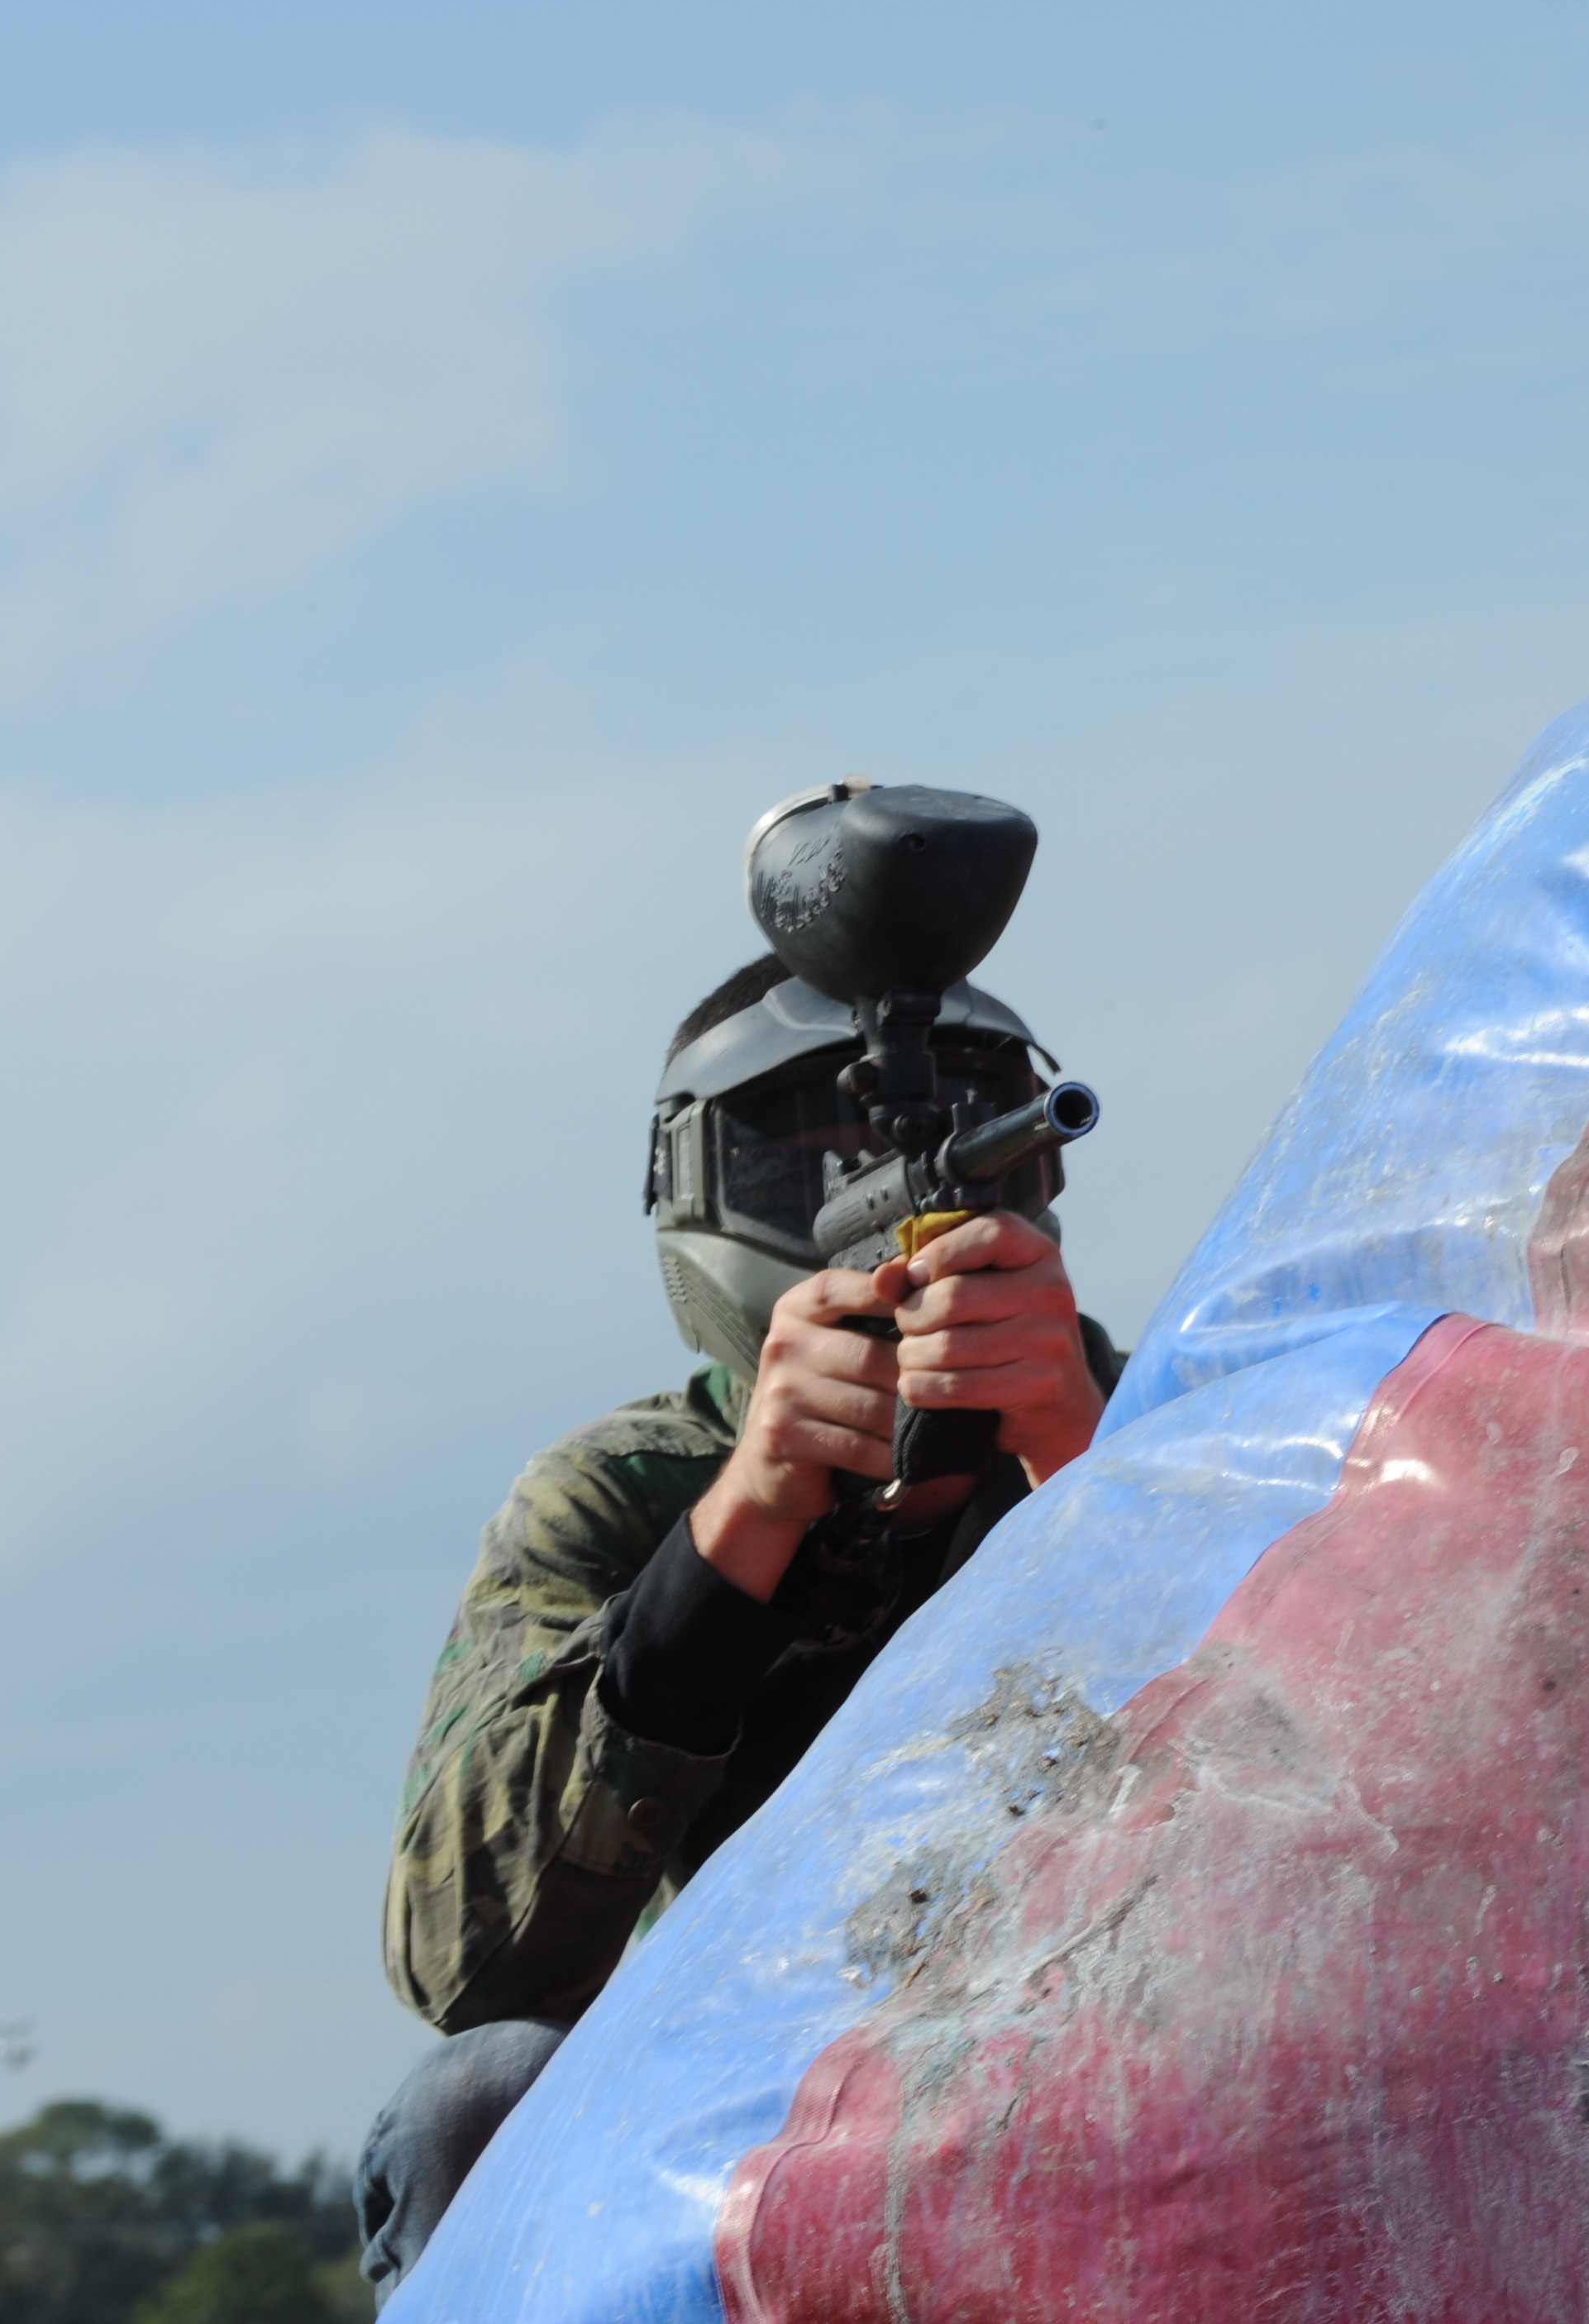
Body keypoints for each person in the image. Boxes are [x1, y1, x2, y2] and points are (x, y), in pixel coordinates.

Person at [355, 953, 1120, 2298]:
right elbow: (462, 1963)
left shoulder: (1171, 1416)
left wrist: (1086, 1468)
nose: (893, 1203)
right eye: (808, 1159)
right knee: (475, 2103)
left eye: (963, 1142)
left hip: (1103, 2014)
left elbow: (1349, 1776)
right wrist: (746, 1521)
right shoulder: (623, 1494)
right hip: (727, 2090)